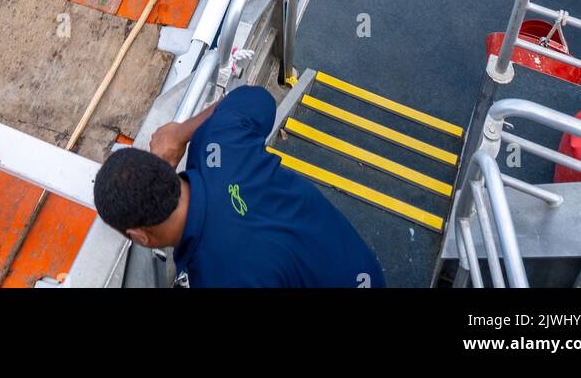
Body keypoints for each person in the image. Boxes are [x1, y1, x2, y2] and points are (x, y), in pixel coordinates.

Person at [93, 85, 385, 288]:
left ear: (140, 236)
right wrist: (180, 134)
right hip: (360, 267)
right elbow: (257, 99)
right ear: (163, 167)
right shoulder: (218, 143)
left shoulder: (219, 277)